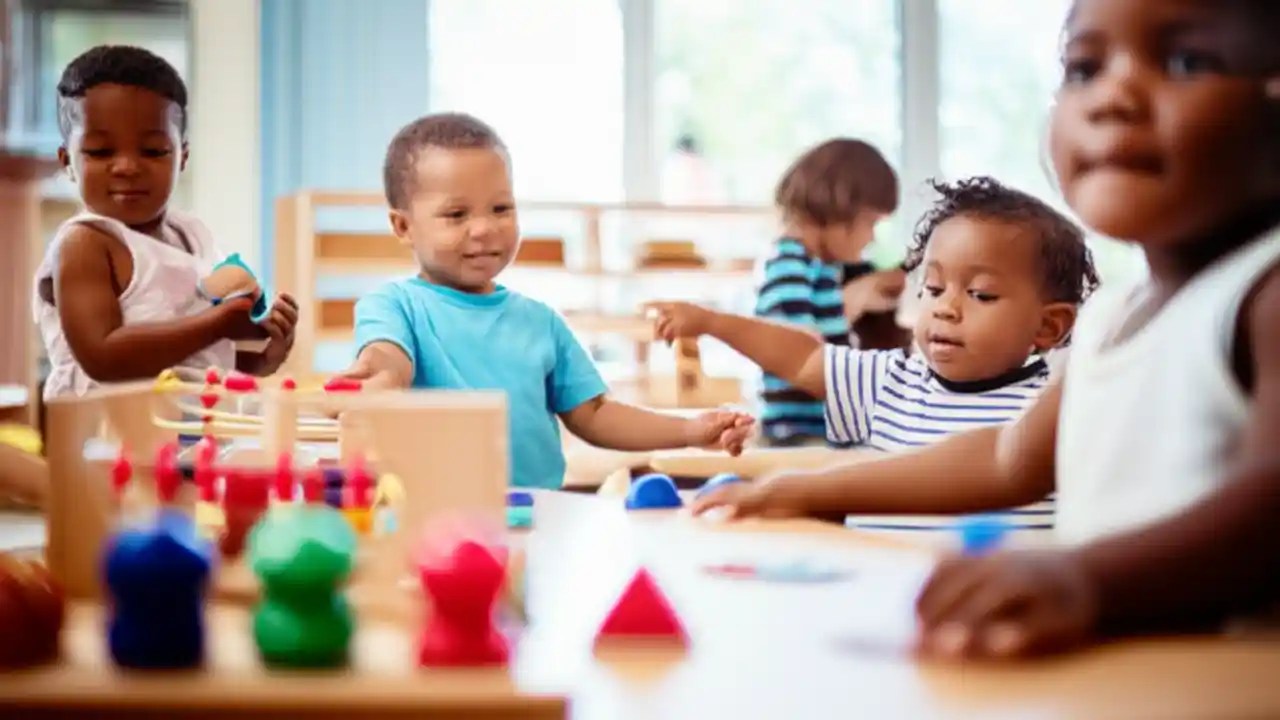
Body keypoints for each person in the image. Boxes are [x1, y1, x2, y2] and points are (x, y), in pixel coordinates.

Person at [694, 0, 1280, 659]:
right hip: (1117, 682)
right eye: (1084, 68)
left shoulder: (1264, 293)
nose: (1114, 94)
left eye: (1185, 61)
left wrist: (1083, 578)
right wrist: (800, 488)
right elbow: (1008, 458)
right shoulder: (1113, 320)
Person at [341, 113, 754, 489]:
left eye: (501, 208)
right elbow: (387, 358)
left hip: (537, 510)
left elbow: (594, 416)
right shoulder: (393, 305)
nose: (484, 228)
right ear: (403, 226)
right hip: (430, 510)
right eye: (457, 215)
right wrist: (379, 380)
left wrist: (689, 431)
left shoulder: (541, 322)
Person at [652, 176, 1097, 454]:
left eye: (980, 294)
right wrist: (712, 322)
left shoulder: (1060, 407)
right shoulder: (890, 382)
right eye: (933, 288)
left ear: (1047, 326)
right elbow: (803, 358)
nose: (944, 307)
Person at [32, 45, 298, 398]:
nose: (127, 166)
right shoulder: (86, 243)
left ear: (182, 157)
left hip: (186, 430)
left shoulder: (192, 236)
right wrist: (218, 322)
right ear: (67, 161)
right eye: (100, 152)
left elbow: (197, 362)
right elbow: (104, 357)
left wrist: (264, 354)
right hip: (102, 435)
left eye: (153, 151)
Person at [749, 138, 905, 446]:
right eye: (870, 223)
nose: (871, 238)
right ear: (839, 210)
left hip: (822, 435)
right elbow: (796, 356)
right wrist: (851, 301)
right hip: (798, 439)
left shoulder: (822, 268)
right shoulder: (788, 265)